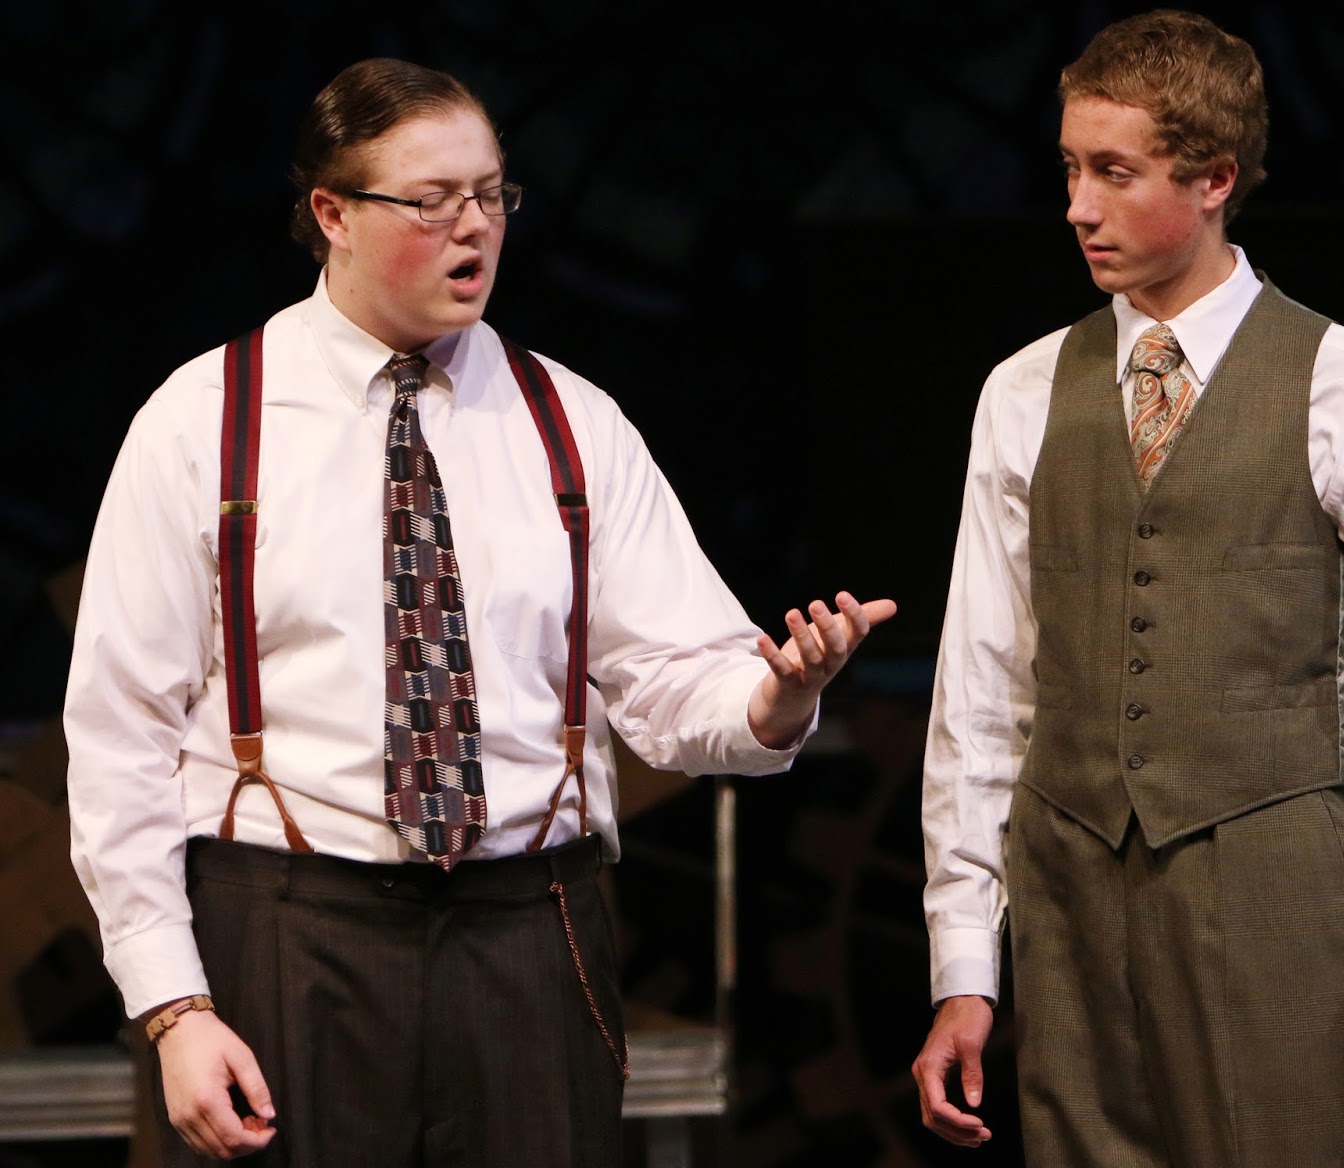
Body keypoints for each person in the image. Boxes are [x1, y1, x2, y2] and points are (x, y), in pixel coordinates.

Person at [65, 57, 893, 1166]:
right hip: (288, 929)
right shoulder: (204, 421)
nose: (475, 228)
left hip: (529, 931)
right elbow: (118, 740)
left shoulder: (570, 420)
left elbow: (667, 685)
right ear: (332, 214)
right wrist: (173, 1007)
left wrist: (774, 695)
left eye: (492, 194)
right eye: (432, 200)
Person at [910, 10, 1344, 1166]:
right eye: (1071, 169)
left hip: (1273, 905)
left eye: (1114, 173)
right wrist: (964, 970)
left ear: (1214, 178)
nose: (1077, 205)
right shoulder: (1024, 390)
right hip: (1072, 902)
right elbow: (980, 703)